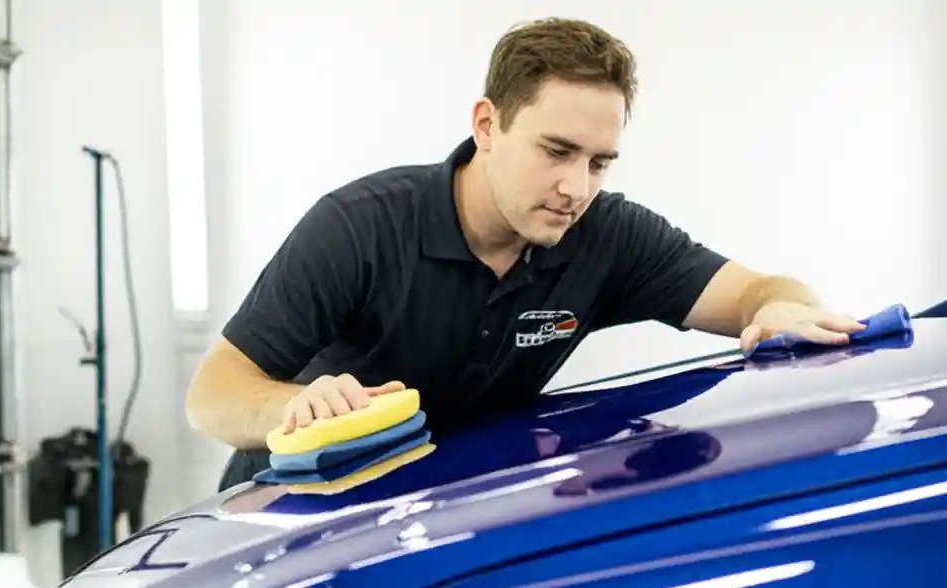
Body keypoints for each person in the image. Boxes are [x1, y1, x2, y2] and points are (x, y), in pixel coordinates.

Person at [186, 17, 865, 491]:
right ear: (487, 125)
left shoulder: (607, 235)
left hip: (437, 515)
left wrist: (786, 308)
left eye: (600, 162)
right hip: (289, 505)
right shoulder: (359, 228)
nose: (577, 187)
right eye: (556, 151)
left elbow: (758, 293)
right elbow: (212, 394)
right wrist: (297, 406)